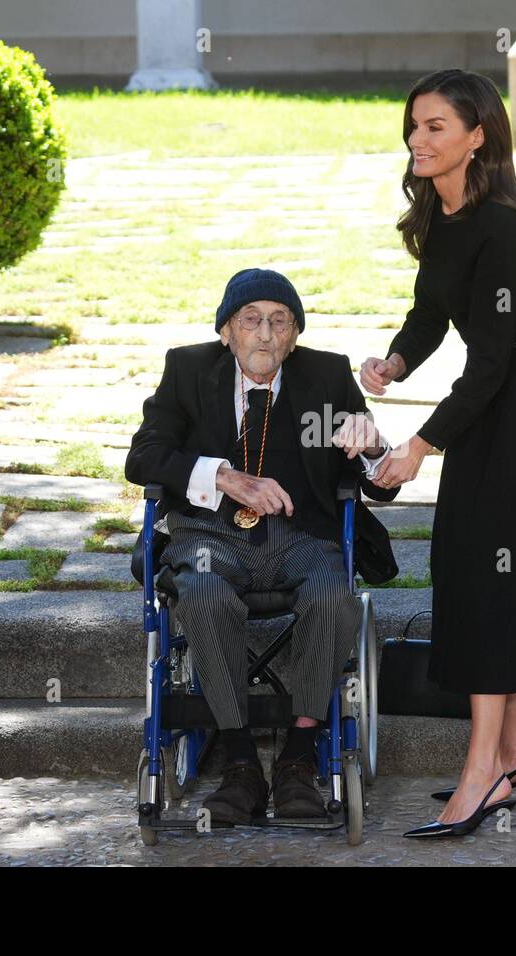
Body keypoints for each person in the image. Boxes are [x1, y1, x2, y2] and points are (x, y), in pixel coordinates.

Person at [360, 69, 516, 838]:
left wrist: (420, 445)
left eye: (434, 127)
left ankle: (482, 772)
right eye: (414, 126)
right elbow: (431, 314)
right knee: (473, 566)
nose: (417, 139)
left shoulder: (499, 225)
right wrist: (393, 364)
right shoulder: (443, 212)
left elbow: (490, 362)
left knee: (493, 582)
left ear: (476, 136)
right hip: (491, 409)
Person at [127, 268, 400, 825]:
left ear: (294, 335)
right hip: (211, 539)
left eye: (280, 323)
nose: (265, 335)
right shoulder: (187, 370)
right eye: (251, 321)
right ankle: (241, 762)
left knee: (330, 594)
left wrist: (372, 446)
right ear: (227, 331)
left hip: (302, 538)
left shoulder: (324, 376)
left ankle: (299, 758)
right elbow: (144, 458)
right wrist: (224, 477)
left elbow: (374, 478)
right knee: (199, 595)